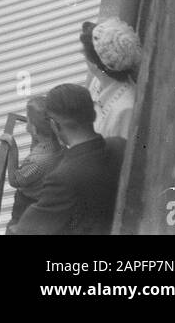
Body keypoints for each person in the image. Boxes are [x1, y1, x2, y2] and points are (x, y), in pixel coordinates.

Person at [7, 83, 124, 235]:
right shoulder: (120, 144)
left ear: (55, 125)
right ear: (93, 114)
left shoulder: (63, 177)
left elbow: (26, 229)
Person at [0, 94, 64, 229]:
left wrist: (13, 147)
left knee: (17, 225)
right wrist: (35, 133)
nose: (26, 123)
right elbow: (36, 144)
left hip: (28, 202)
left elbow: (15, 180)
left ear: (34, 129)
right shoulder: (60, 144)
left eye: (28, 120)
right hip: (47, 196)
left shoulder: (37, 162)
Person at [79, 17, 140, 141]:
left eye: (85, 53)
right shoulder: (97, 81)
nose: (81, 52)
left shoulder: (125, 109)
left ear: (95, 64)